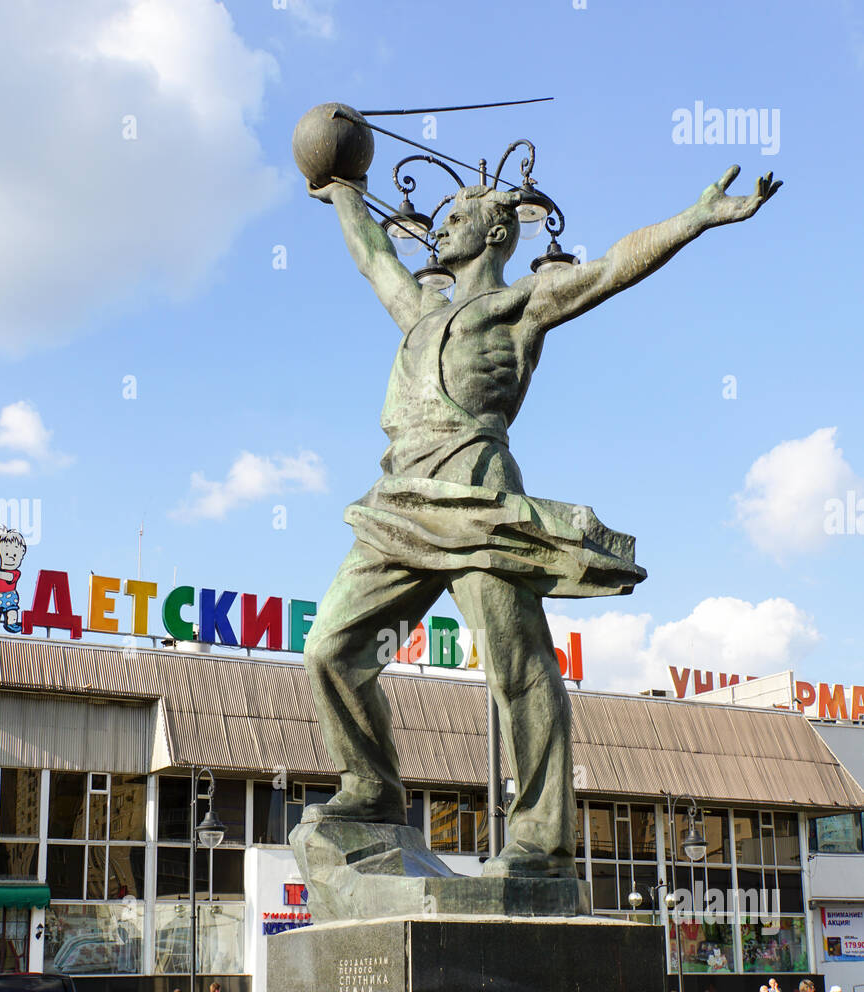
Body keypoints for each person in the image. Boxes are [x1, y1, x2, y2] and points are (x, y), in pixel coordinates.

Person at [299, 153, 780, 876]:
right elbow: (375, 258)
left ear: (497, 233)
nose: (440, 228)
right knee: (330, 650)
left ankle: (539, 838)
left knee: (518, 667)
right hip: (400, 498)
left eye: (456, 217)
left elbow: (614, 265)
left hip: (477, 490)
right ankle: (370, 790)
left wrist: (696, 218)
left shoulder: (524, 303)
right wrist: (341, 191)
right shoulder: (421, 312)